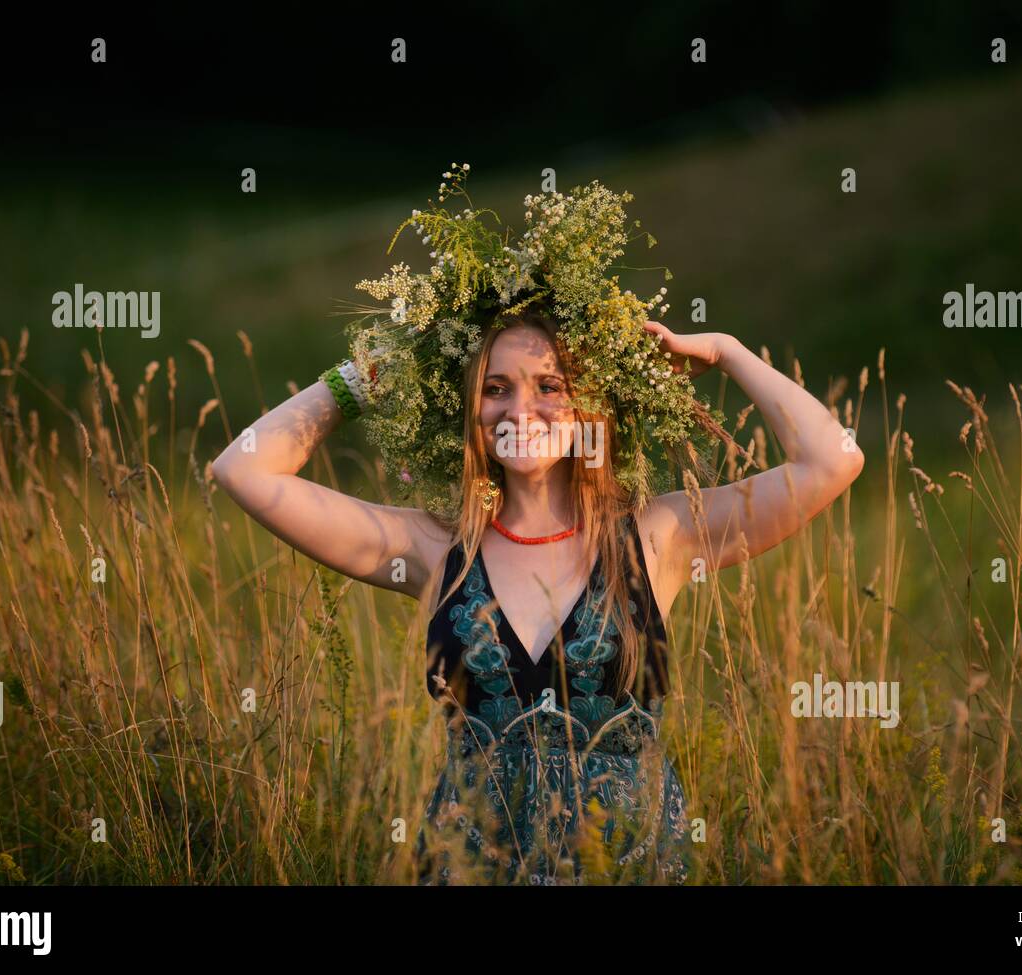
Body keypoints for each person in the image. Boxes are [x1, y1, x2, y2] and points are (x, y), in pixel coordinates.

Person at [211, 170, 864, 885]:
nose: (521, 409)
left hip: (629, 868)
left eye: (550, 386)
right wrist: (361, 378)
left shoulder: (660, 537)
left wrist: (727, 351)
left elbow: (832, 460)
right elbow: (245, 472)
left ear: (589, 407)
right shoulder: (434, 548)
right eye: (496, 388)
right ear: (472, 410)